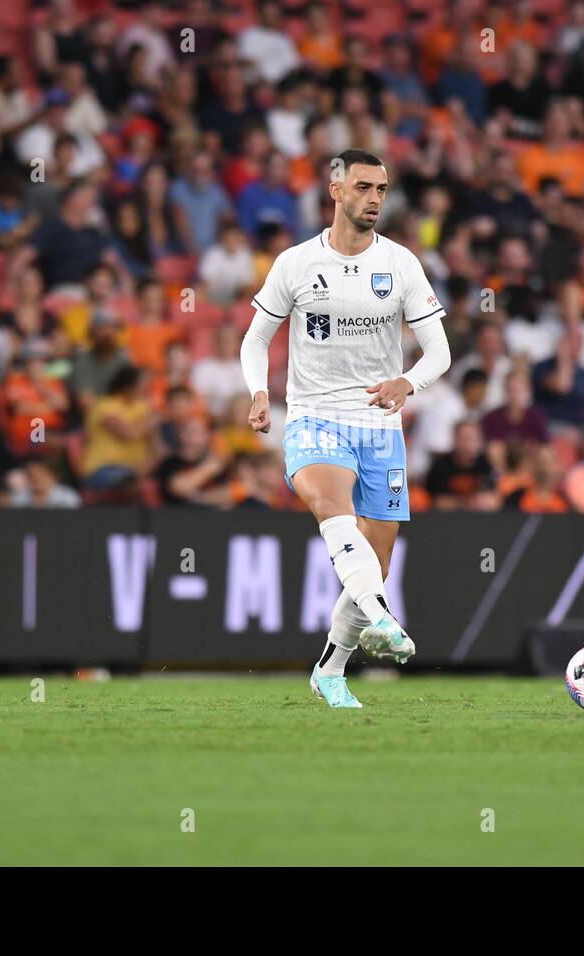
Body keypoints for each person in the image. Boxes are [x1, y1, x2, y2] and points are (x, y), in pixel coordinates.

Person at [240, 148, 451, 708]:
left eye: (382, 189)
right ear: (335, 191)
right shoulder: (296, 263)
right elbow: (256, 338)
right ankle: (384, 619)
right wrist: (260, 392)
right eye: (363, 187)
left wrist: (408, 383)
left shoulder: (401, 264)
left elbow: (439, 352)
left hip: (380, 425)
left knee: (374, 564)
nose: (375, 199)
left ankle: (330, 669)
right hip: (314, 416)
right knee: (333, 510)